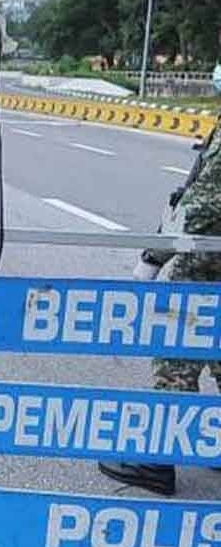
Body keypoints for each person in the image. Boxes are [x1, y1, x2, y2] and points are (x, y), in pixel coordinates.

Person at [98, 116, 221, 495]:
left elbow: (204, 204)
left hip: (207, 261)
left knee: (175, 357)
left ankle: (156, 459)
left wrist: (153, 256)